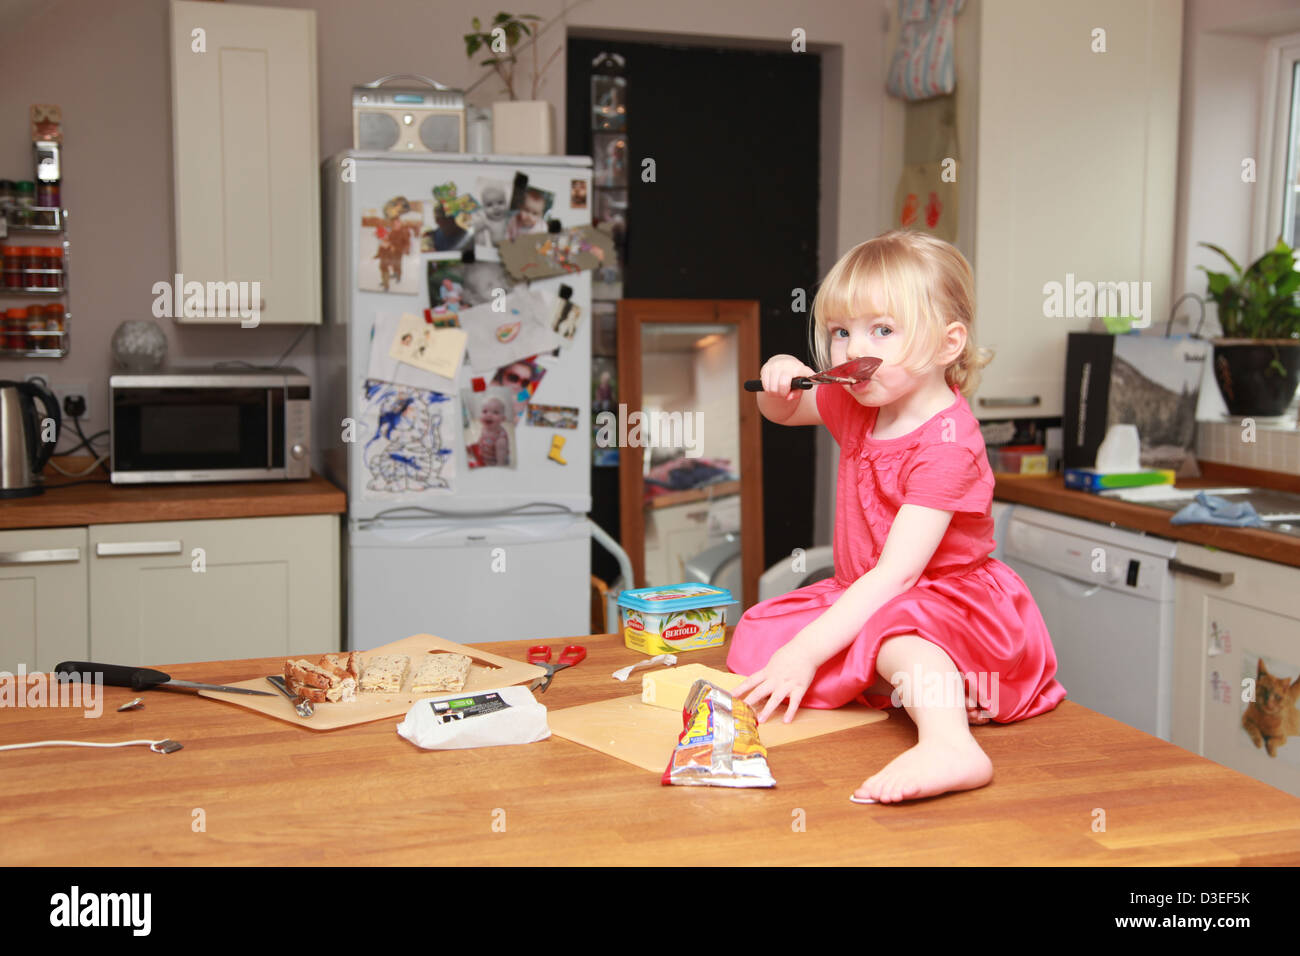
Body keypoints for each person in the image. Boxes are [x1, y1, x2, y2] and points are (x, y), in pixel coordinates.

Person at [728, 229, 1066, 805]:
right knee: (758, 640)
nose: (850, 348)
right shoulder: (863, 403)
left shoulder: (947, 445)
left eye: (881, 330)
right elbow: (784, 412)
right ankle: (924, 690)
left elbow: (897, 579)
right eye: (841, 332)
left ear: (946, 343)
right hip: (871, 590)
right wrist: (779, 376)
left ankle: (950, 743)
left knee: (888, 635)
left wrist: (806, 654)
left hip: (947, 604)